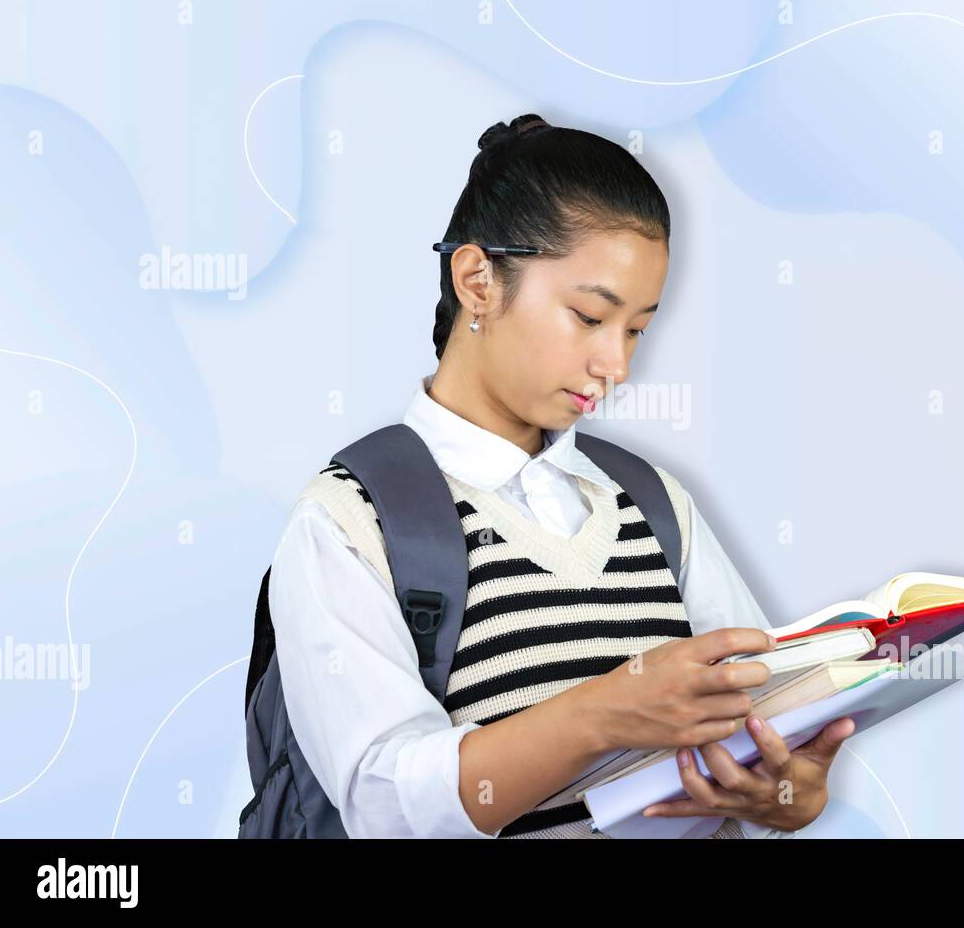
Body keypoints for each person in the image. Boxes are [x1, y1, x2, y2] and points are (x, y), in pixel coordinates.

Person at [268, 114, 855, 839]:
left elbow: (768, 726)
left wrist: (786, 796)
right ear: (477, 280)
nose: (618, 365)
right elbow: (385, 808)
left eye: (636, 328)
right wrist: (601, 715)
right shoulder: (350, 520)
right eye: (588, 316)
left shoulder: (653, 503)